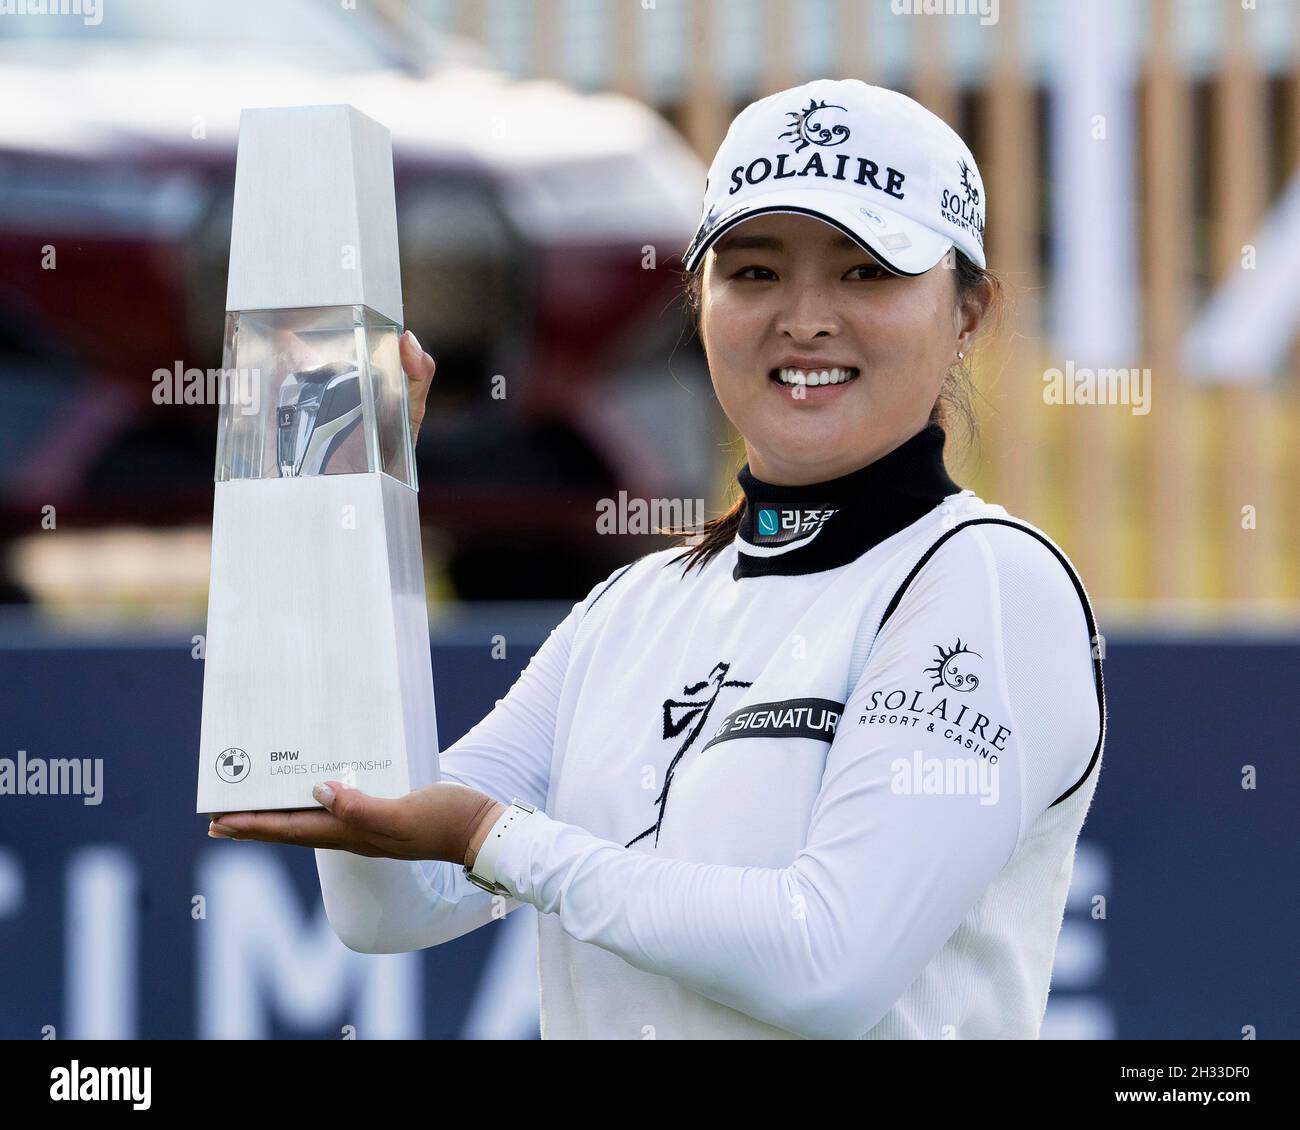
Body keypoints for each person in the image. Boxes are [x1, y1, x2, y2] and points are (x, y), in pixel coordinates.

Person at [208, 78, 1106, 1041]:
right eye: (754, 273)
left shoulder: (992, 584)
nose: (804, 319)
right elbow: (389, 901)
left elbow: (827, 964)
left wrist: (491, 839)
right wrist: (346, 505)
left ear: (969, 314)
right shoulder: (633, 606)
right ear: (700, 299)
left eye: (865, 273)